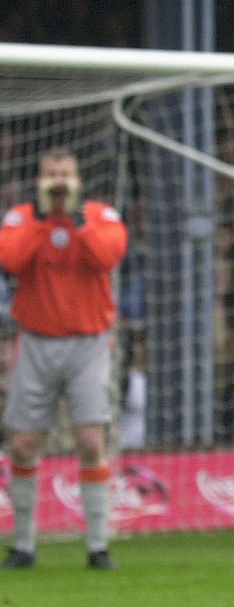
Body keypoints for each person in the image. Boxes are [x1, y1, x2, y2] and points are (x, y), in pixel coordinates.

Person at [0, 147, 130, 570]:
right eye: (51, 174)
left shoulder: (101, 217)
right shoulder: (20, 218)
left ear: (79, 178)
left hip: (88, 343)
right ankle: (23, 545)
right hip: (36, 341)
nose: (59, 182)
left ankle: (98, 545)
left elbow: (107, 257)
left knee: (91, 441)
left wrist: (74, 222)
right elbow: (11, 259)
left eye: (66, 174)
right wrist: (43, 221)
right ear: (39, 179)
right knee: (23, 443)